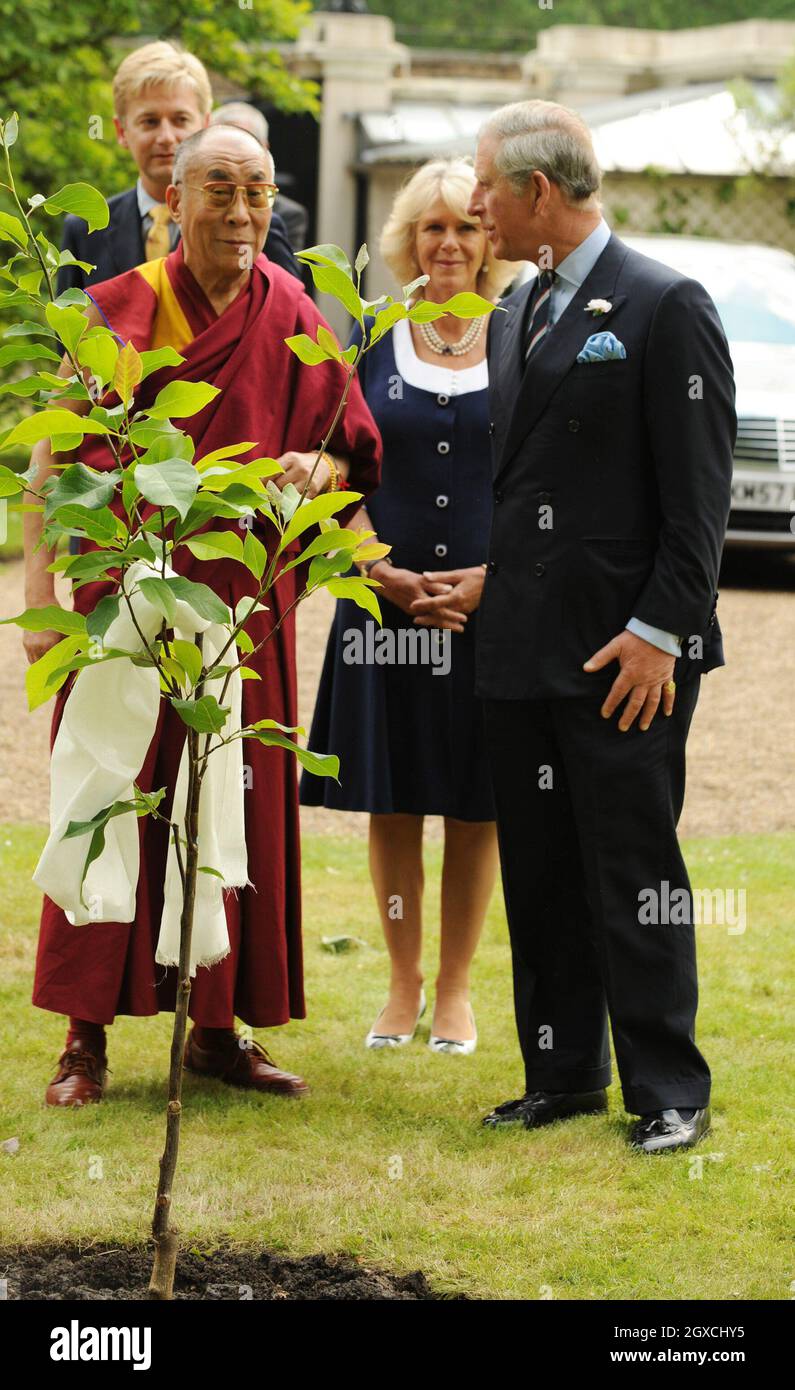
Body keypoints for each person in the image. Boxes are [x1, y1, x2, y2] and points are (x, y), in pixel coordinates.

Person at [25, 124, 381, 1106]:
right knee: (109, 798)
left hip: (238, 617)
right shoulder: (114, 310)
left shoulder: (299, 312)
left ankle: (218, 1028)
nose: (239, 211)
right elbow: (53, 467)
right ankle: (83, 1035)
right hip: (128, 610)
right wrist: (40, 603)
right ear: (172, 202)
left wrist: (323, 471)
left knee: (241, 812)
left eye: (258, 193)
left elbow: (353, 453)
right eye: (218, 190)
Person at [467, 100, 736, 1152]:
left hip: (629, 657)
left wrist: (662, 633)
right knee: (539, 873)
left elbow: (699, 499)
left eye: (486, 185)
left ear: (538, 191)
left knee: (634, 870)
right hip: (522, 651)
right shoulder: (514, 312)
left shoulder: (667, 305)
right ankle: (563, 1072)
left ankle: (670, 1088)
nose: (474, 203)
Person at [300, 159, 515, 1055]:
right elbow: (326, 466)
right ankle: (400, 985)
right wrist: (377, 568)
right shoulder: (367, 337)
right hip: (381, 610)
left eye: (466, 227)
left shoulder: (520, 337)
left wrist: (493, 576)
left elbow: (548, 479)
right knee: (391, 801)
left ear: (488, 239)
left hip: (489, 610)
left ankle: (457, 992)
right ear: (406, 240)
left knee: (476, 803)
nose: (450, 243)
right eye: (432, 228)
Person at [57, 41, 302, 296]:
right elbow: (68, 333)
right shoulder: (86, 229)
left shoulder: (251, 224)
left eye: (180, 120)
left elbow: (284, 322)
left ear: (206, 125)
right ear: (122, 131)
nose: (166, 136)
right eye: (149, 121)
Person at [209, 102, 309, 251]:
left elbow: (282, 273)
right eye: (222, 146)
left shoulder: (283, 217)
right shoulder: (195, 203)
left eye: (243, 144)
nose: (232, 156)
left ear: (264, 149)